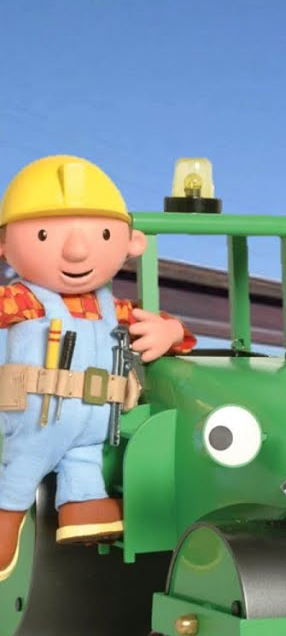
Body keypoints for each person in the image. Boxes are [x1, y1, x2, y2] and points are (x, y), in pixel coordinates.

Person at [0, 155, 196, 582]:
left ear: (132, 243)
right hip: (40, 419)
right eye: (45, 235)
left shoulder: (115, 307)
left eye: (103, 234)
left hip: (94, 426)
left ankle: (83, 509)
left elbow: (171, 332)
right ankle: (5, 523)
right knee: (22, 470)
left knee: (84, 467)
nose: (76, 251)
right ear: (5, 244)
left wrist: (169, 331)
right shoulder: (25, 299)